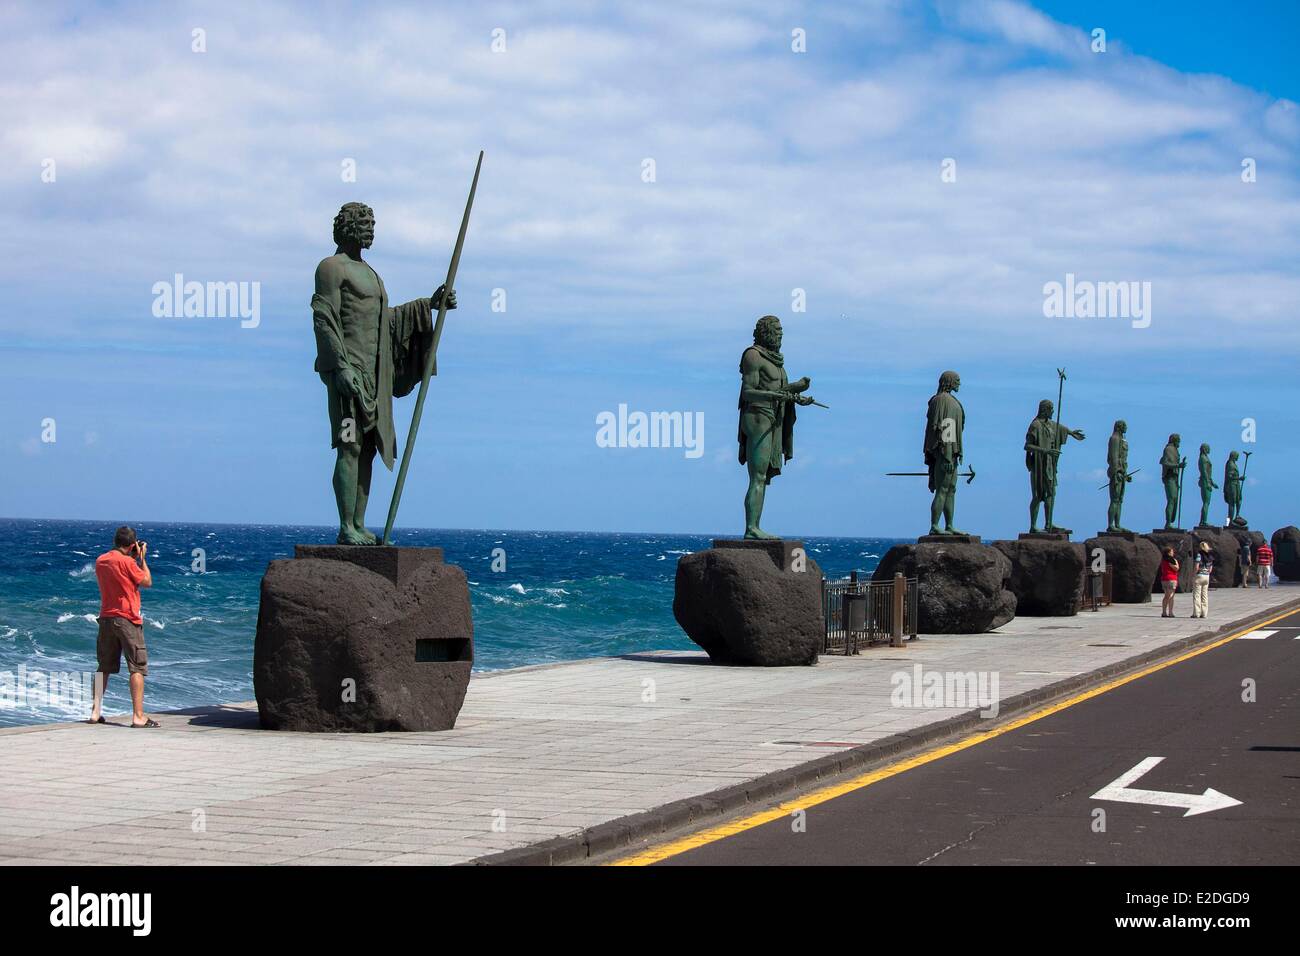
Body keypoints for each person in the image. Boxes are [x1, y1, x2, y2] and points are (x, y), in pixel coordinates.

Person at [90, 526, 156, 727]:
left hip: (106, 617)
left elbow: (119, 575)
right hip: (127, 618)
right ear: (132, 544)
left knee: (104, 667)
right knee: (137, 667)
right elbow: (146, 581)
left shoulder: (101, 560)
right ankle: (138, 716)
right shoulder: (129, 562)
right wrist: (142, 559)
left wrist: (132, 557)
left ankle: (95, 712)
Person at [1192, 540, 1214, 619]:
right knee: (1204, 595)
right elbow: (1210, 569)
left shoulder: (1199, 555)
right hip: (1206, 576)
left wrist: (1194, 574)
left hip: (1199, 575)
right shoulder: (1210, 556)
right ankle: (1204, 613)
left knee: (1197, 595)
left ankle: (1196, 613)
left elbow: (1196, 566)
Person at [1159, 547, 1180, 618]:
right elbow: (1177, 568)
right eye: (1172, 552)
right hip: (1171, 579)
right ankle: (1170, 612)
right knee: (1170, 596)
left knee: (1166, 595)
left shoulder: (1163, 560)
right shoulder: (1172, 560)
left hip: (1164, 579)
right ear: (1169, 553)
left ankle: (1164, 612)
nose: (1173, 553)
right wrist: (1173, 564)